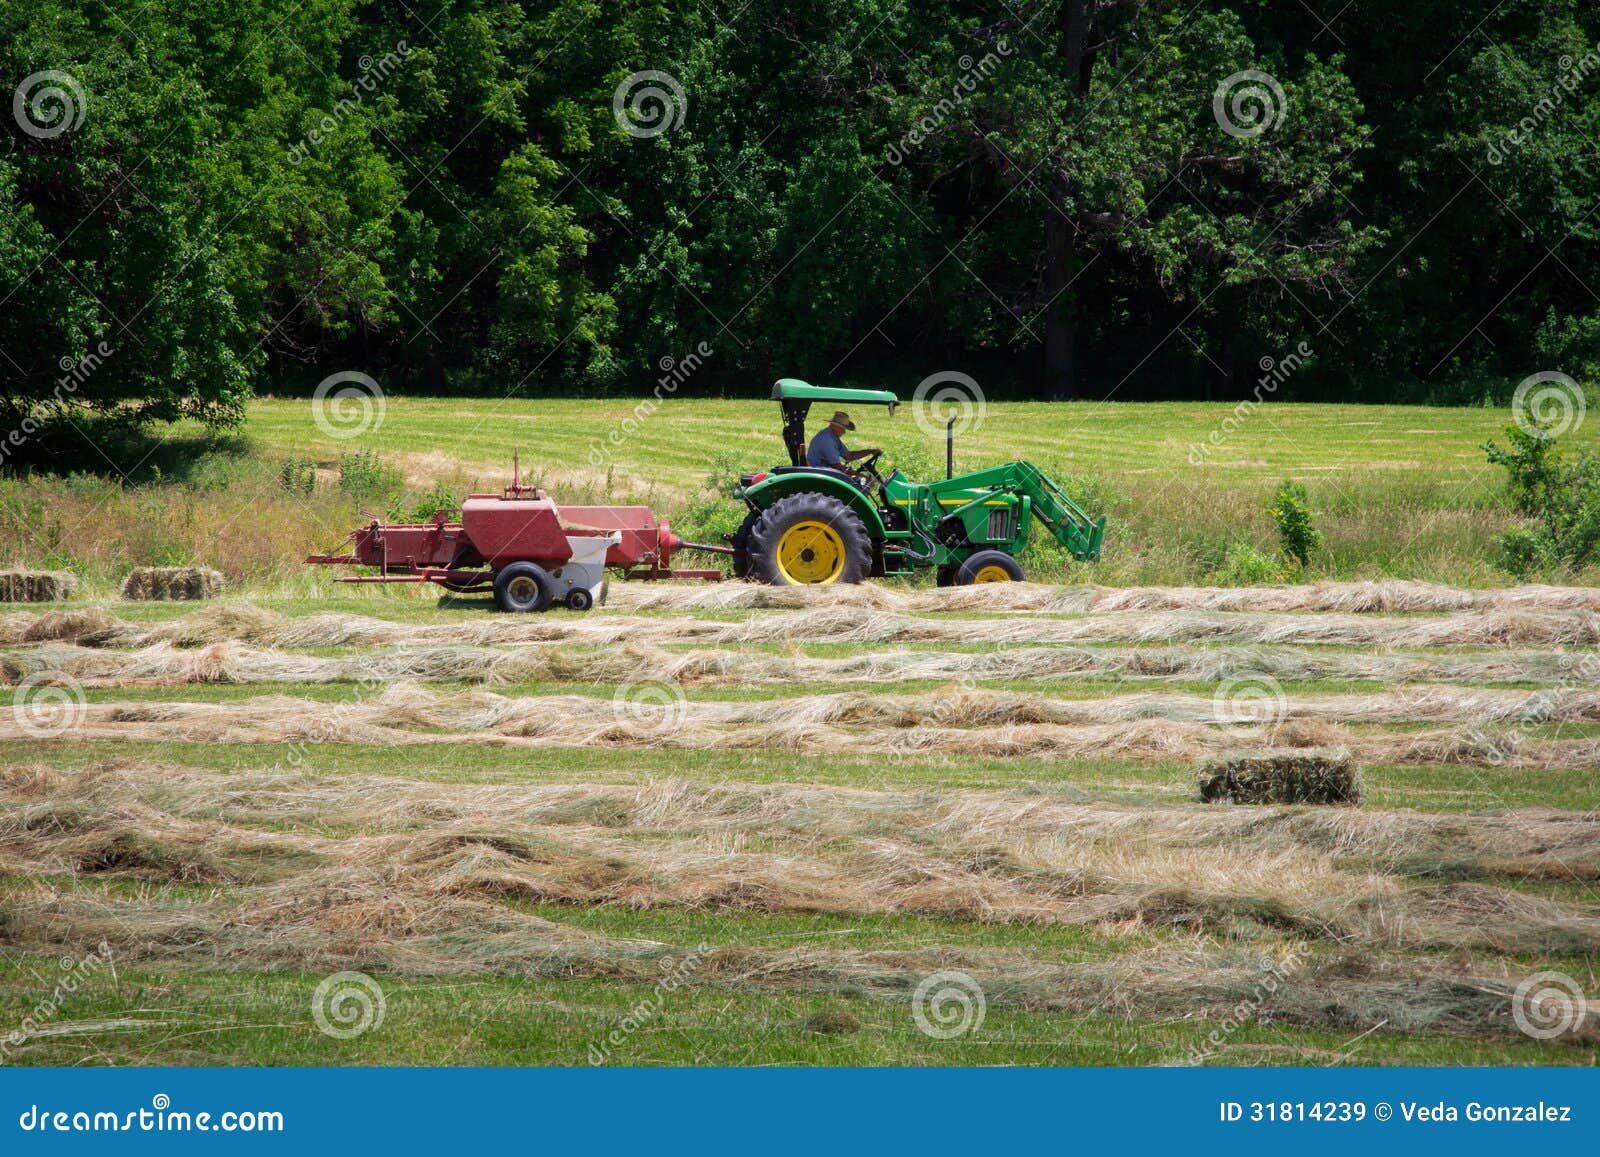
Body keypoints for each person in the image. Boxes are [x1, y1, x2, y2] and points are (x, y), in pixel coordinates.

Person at [806, 410, 881, 470]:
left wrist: (870, 451)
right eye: (843, 428)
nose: (844, 432)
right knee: (862, 481)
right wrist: (857, 475)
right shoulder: (827, 440)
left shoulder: (833, 436)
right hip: (820, 471)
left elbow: (849, 456)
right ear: (834, 426)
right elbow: (836, 466)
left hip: (826, 469)